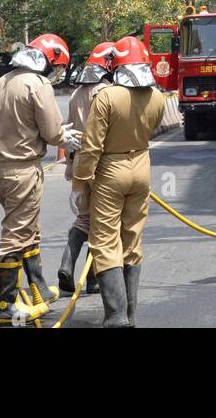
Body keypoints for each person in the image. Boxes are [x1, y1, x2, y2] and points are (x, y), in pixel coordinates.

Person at [73, 36, 166, 327]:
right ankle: (131, 314)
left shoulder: (107, 97)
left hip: (110, 171)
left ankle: (115, 316)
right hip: (142, 167)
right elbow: (154, 129)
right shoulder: (157, 97)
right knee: (132, 240)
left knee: (104, 241)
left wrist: (80, 182)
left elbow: (91, 146)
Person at [0, 33, 75, 326]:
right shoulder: (37, 84)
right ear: (49, 61)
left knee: (28, 230)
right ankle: (5, 306)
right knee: (15, 236)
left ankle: (37, 290)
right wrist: (68, 138)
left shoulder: (3, 81)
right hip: (21, 169)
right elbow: (52, 132)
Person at [57, 42, 115, 296]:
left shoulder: (75, 94)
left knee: (84, 218)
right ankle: (93, 280)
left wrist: (70, 165)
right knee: (101, 222)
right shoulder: (109, 92)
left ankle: (67, 265)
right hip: (101, 163)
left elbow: (68, 134)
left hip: (79, 160)